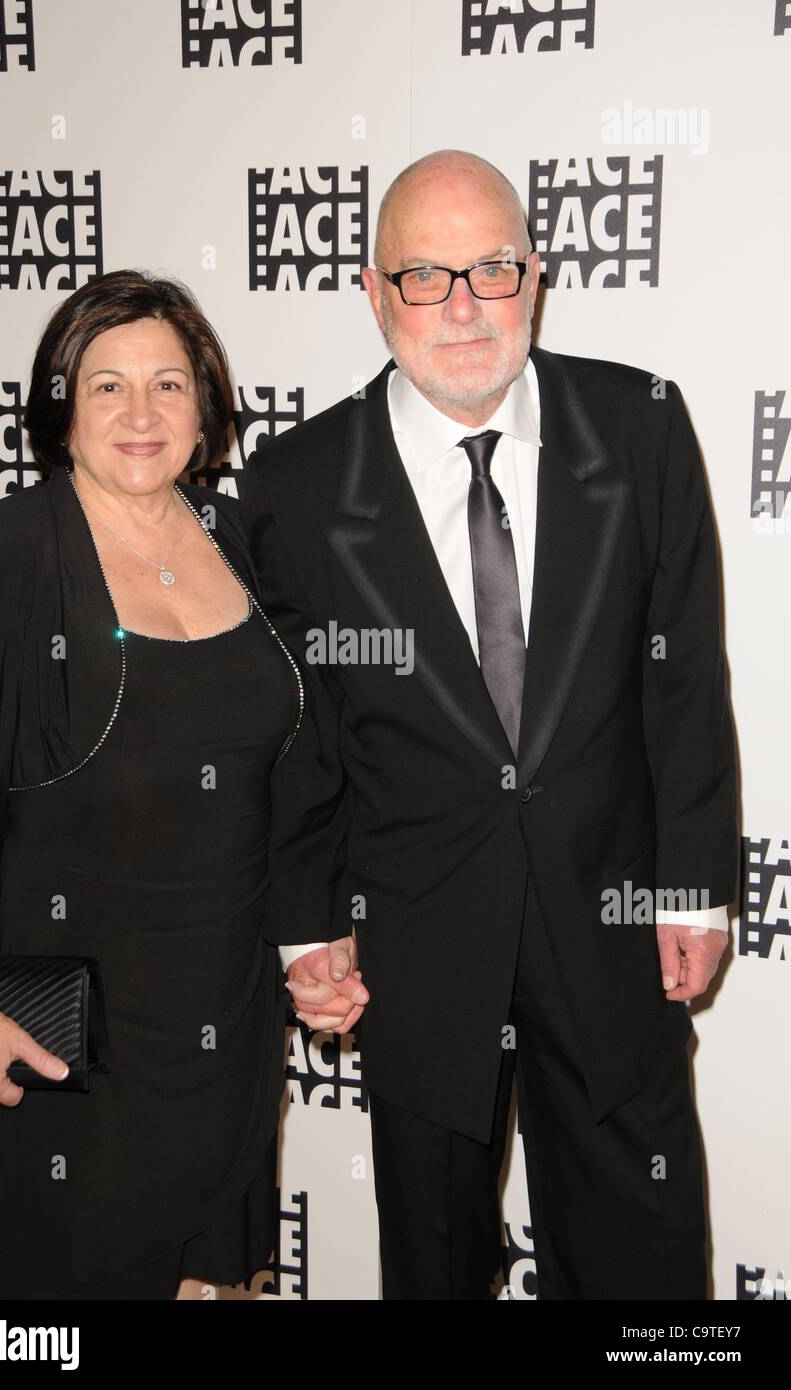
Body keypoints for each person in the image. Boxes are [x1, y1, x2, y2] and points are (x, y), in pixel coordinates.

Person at [239, 150, 739, 1299]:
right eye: (424, 274)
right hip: (414, 945)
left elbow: (682, 676)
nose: (462, 306)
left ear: (536, 276)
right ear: (374, 292)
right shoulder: (299, 481)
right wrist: (304, 925)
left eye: (491, 268)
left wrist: (693, 884)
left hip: (611, 924)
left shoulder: (638, 424)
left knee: (645, 1271)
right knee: (434, 1263)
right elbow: (301, 730)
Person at [0, 270, 304, 1299]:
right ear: (62, 405)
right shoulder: (4, 555)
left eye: (168, 384)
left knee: (223, 1282)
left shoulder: (240, 540)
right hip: (75, 1028)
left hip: (226, 1010)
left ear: (205, 402)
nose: (141, 413)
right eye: (106, 386)